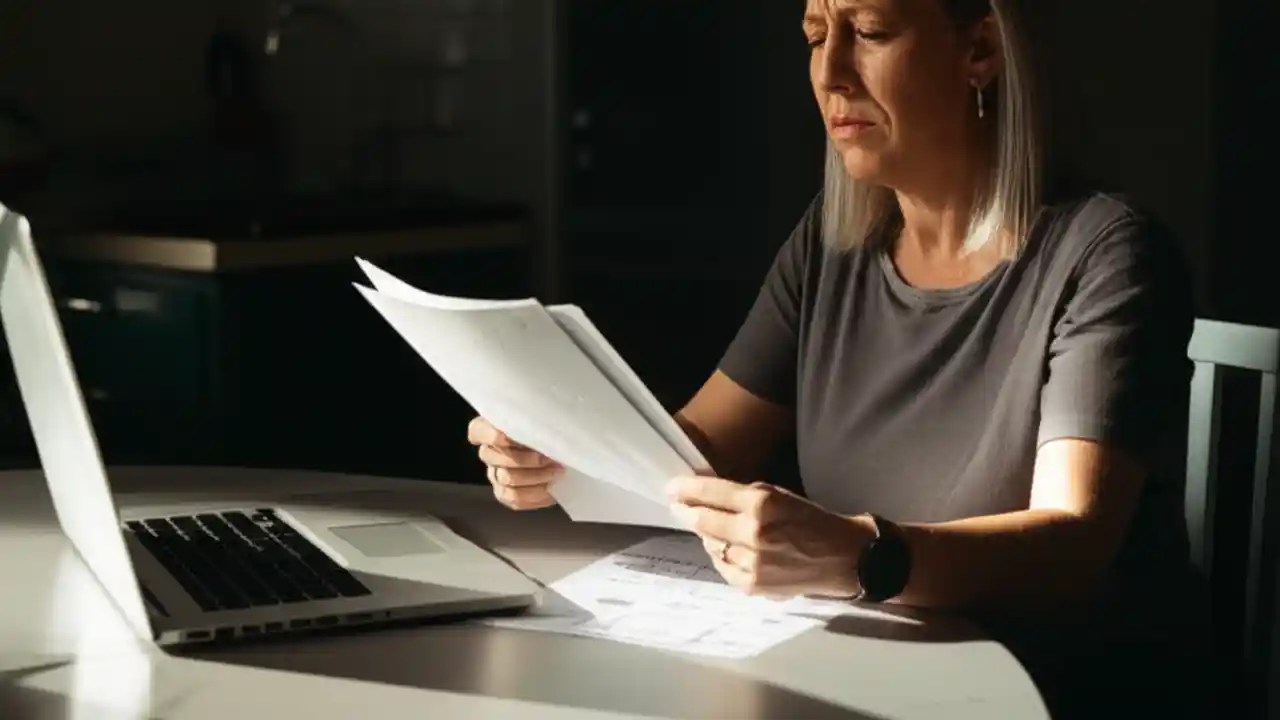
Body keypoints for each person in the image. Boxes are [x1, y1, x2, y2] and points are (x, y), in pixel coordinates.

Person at [469, 0, 1213, 715]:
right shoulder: (831, 247)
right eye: (816, 34)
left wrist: (862, 556)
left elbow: (1072, 544)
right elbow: (701, 449)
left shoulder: (1107, 255)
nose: (831, 73)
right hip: (879, 680)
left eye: (870, 31)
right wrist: (564, 444)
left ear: (980, 51)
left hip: (1057, 694)